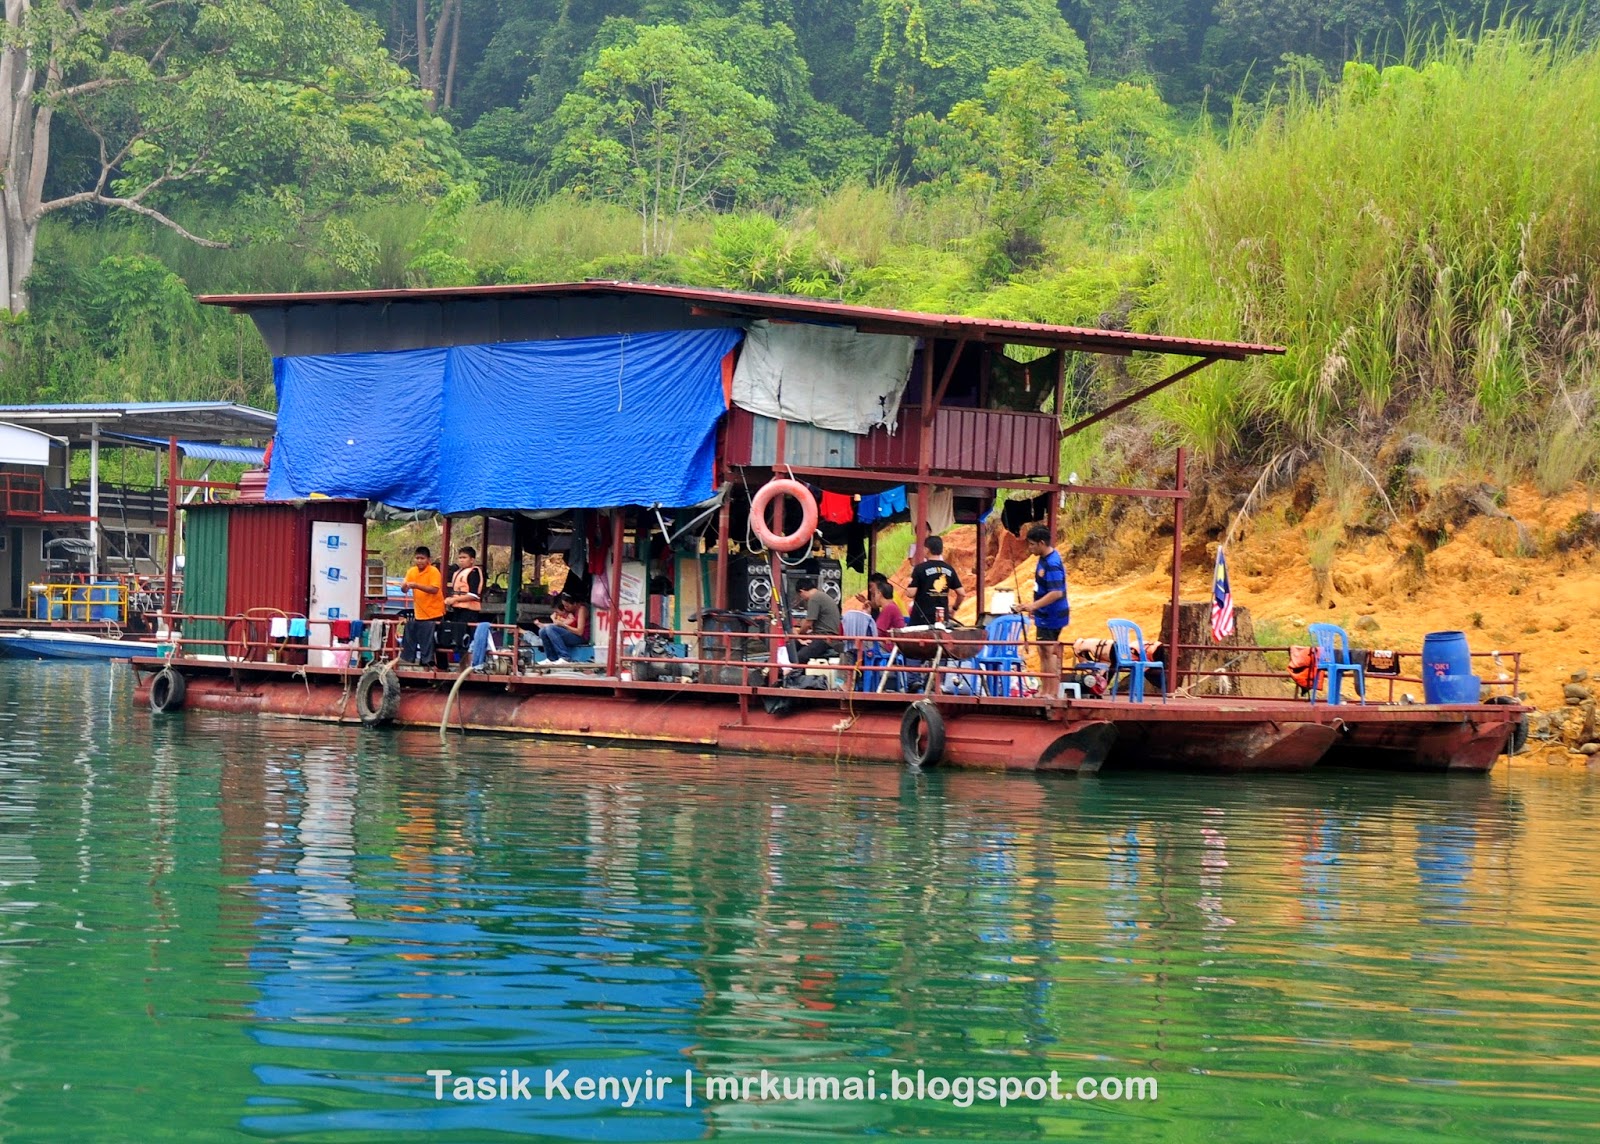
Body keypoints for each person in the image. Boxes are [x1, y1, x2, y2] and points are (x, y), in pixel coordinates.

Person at [1018, 524, 1070, 691]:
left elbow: (1056, 592)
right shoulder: (1043, 559)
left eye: (1032, 544)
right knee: (1043, 652)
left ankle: (1052, 692)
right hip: (1043, 614)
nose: (1030, 548)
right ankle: (1045, 690)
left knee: (1049, 652)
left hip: (1052, 615)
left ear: (1041, 543)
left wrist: (1033, 605)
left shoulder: (1052, 563)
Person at [398, 546, 444, 665]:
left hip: (434, 612)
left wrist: (417, 585)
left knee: (437, 640)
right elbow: (404, 589)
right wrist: (404, 587)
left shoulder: (434, 571)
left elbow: (434, 589)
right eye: (417, 558)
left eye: (422, 558)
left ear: (428, 559)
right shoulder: (411, 571)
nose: (419, 561)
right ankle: (414, 659)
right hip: (420, 612)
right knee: (419, 636)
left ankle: (440, 665)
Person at [905, 534, 964, 627]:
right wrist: (954, 608)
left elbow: (910, 593)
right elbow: (961, 593)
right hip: (941, 619)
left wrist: (908, 587)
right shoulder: (949, 569)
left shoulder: (920, 568)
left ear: (927, 550)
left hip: (921, 620)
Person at [792, 577, 842, 665]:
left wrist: (800, 635)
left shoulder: (814, 599)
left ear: (802, 591)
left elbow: (808, 623)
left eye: (800, 596)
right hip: (825, 635)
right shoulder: (821, 596)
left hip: (824, 637)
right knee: (794, 645)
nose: (802, 598)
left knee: (800, 656)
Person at [537, 592, 590, 664]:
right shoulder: (571, 612)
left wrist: (563, 625)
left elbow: (579, 632)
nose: (565, 608)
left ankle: (565, 657)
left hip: (580, 637)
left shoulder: (582, 609)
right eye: (564, 606)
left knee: (551, 629)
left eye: (567, 606)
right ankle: (551, 658)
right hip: (571, 633)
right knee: (542, 631)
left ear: (574, 604)